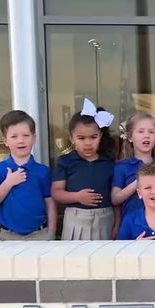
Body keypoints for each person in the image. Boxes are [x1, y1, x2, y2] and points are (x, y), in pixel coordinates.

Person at [0, 110, 56, 240]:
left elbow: (49, 202)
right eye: (14, 136)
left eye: (26, 135)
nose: (21, 141)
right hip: (8, 235)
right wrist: (8, 183)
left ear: (33, 138)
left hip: (40, 234)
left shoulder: (42, 171)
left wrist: (51, 232)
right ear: (5, 140)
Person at [51, 98, 116, 240]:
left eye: (93, 137)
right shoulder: (65, 161)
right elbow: (56, 193)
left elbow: (115, 196)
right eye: (81, 138)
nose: (88, 143)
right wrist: (77, 197)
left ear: (100, 136)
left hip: (105, 218)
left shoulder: (109, 162)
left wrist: (117, 223)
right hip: (75, 218)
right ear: (72, 138)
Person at [112, 112, 155, 222]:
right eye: (141, 131)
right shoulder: (122, 167)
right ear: (130, 137)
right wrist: (139, 182)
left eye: (151, 132)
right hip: (130, 224)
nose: (146, 135)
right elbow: (115, 199)